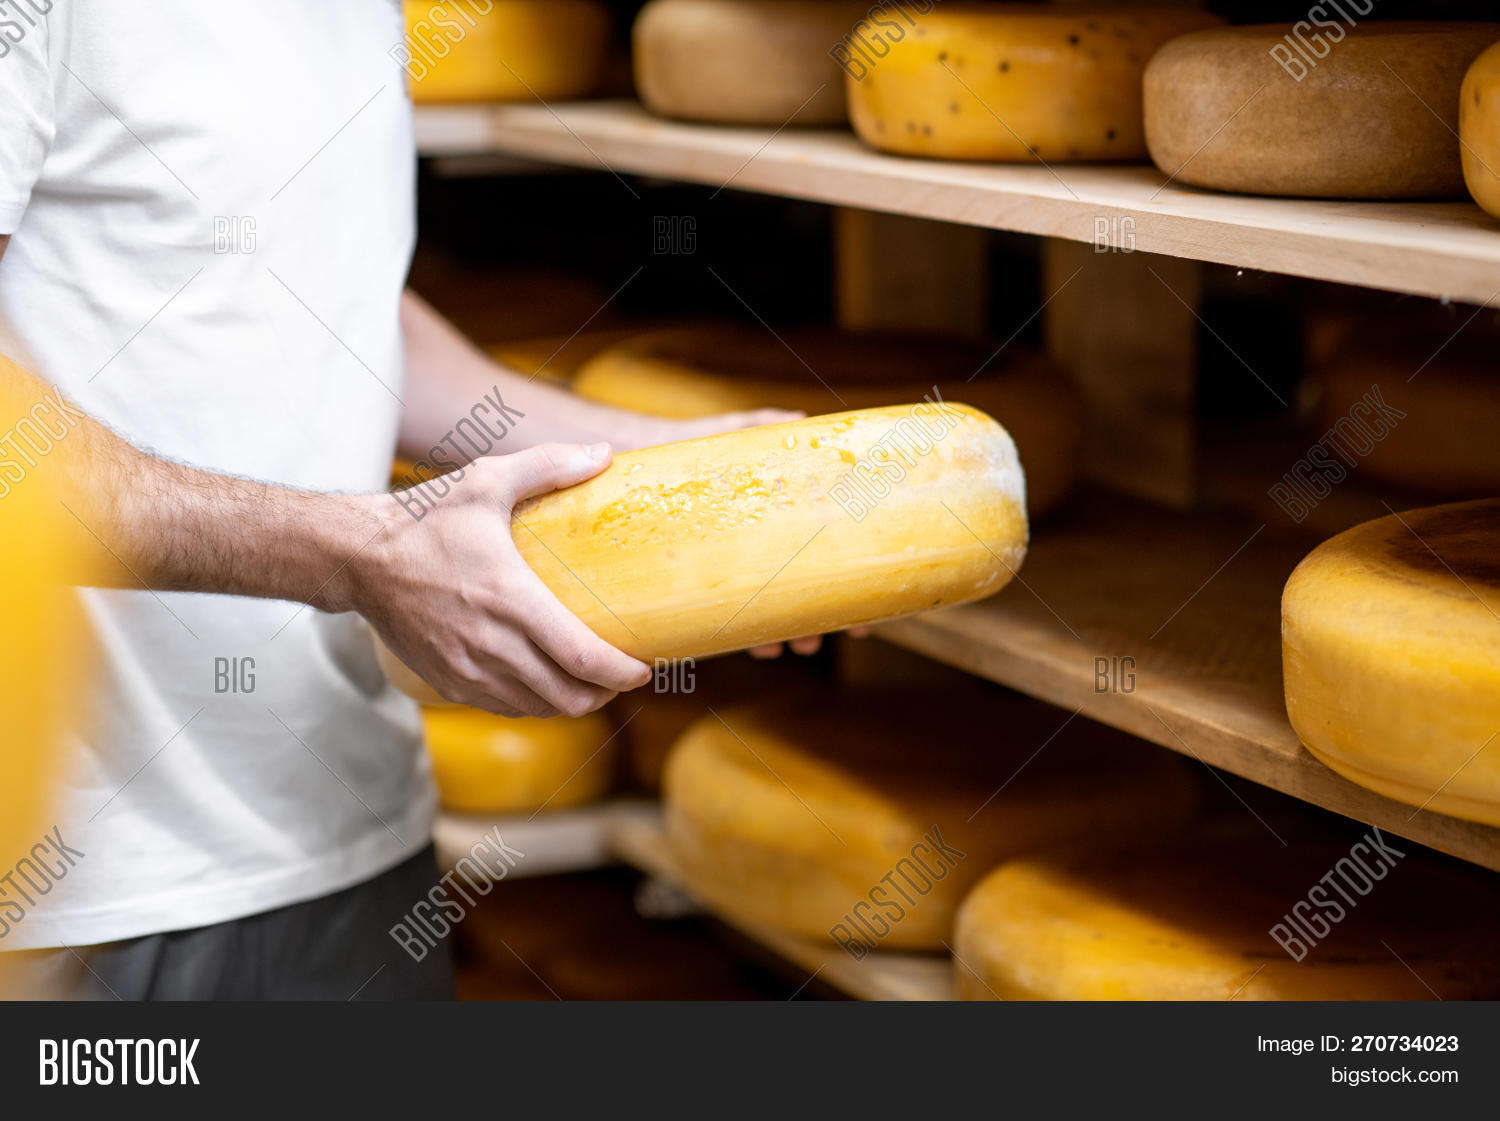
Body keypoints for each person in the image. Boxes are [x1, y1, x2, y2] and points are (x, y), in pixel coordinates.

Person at [0, 1, 824, 999]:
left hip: (356, 834)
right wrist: (360, 555)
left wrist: (645, 455)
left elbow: (321, 292)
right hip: (91, 898)